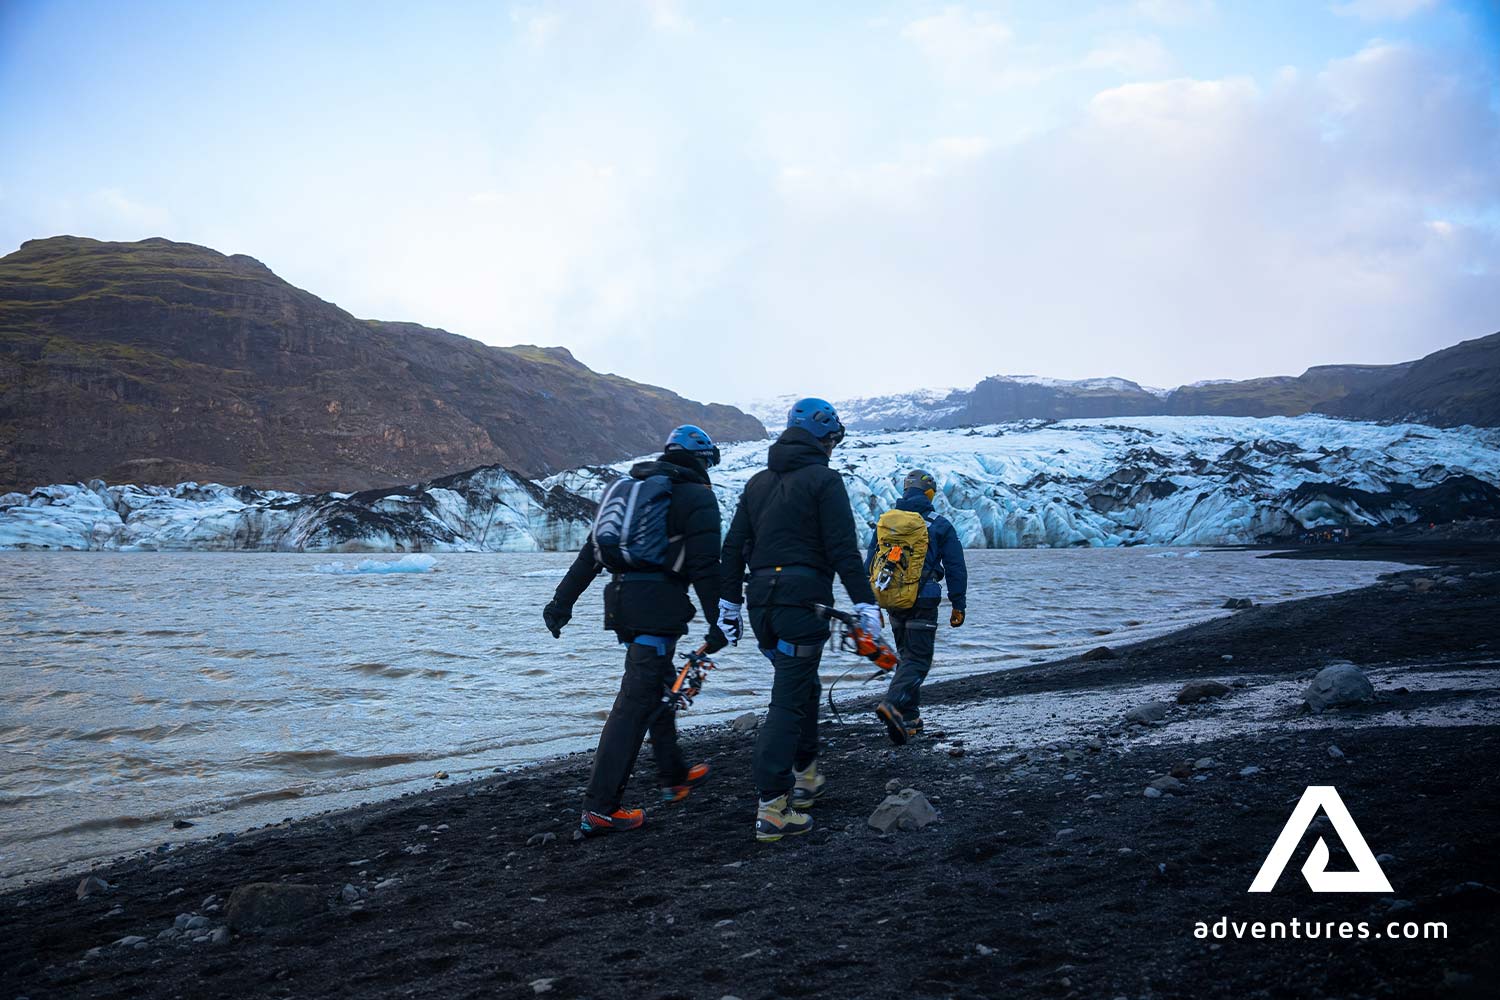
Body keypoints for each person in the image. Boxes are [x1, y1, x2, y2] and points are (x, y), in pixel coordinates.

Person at [543, 425, 729, 838]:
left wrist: (561, 603)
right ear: (702, 460)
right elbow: (705, 566)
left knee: (657, 686)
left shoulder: (634, 491)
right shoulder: (696, 495)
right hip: (658, 606)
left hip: (622, 600)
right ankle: (600, 809)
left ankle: (673, 775)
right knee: (632, 704)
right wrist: (721, 619)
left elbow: (591, 553)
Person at [718, 398, 882, 843]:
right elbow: (842, 550)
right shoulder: (824, 480)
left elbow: (733, 549)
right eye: (832, 439)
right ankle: (772, 807)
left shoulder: (756, 484)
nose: (834, 447)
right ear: (824, 437)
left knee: (802, 685)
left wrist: (728, 606)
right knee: (788, 701)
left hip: (761, 607)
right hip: (802, 603)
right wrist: (866, 605)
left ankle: (806, 777)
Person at [868, 469, 968, 743]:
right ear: (929, 493)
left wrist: (874, 604)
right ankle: (892, 703)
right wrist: (958, 603)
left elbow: (870, 565)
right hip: (924, 598)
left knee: (906, 655)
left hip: (893, 598)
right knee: (919, 659)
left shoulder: (886, 523)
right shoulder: (939, 524)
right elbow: (956, 566)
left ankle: (909, 719)